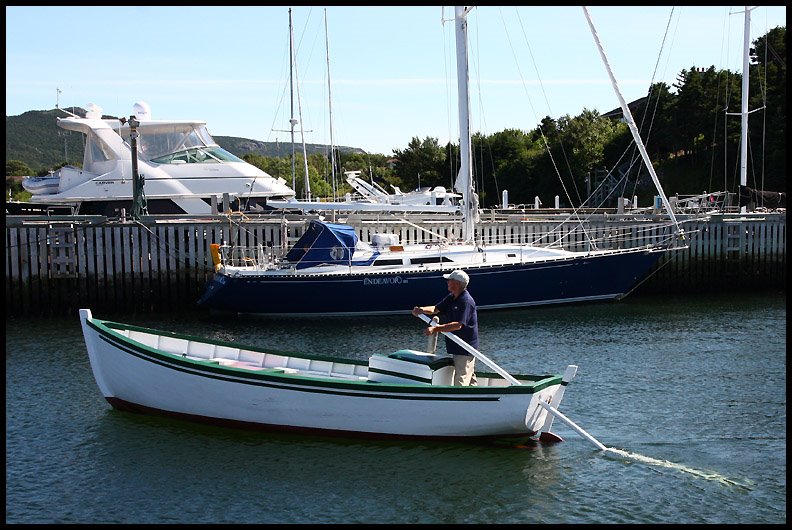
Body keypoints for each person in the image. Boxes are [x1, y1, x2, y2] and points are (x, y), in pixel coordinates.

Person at [411, 269, 478, 386]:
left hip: (465, 347)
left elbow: (458, 325)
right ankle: (477, 401)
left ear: (456, 283)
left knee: (461, 377)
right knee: (469, 376)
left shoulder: (465, 301)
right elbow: (435, 309)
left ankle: (460, 401)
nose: (447, 282)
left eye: (449, 280)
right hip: (457, 346)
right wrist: (421, 310)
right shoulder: (452, 297)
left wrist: (435, 329)